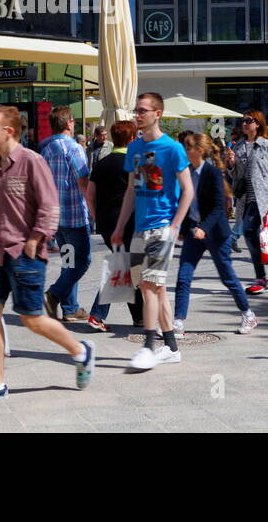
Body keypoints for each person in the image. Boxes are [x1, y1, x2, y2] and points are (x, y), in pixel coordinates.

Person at [0, 106, 94, 403]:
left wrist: (36, 240)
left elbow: (50, 206)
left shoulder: (32, 161)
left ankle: (80, 351)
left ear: (8, 131)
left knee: (32, 318)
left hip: (25, 253)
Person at [114, 92, 195, 371]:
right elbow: (130, 191)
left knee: (148, 286)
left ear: (157, 114)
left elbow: (188, 190)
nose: (137, 115)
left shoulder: (172, 149)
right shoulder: (134, 149)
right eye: (136, 111)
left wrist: (175, 226)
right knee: (155, 288)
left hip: (162, 228)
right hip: (140, 228)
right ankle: (171, 347)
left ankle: (149, 346)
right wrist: (119, 226)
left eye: (142, 111)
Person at [173, 133, 256, 336]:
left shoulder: (212, 173)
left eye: (188, 148)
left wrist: (205, 228)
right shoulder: (186, 171)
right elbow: (186, 202)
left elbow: (219, 207)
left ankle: (248, 314)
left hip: (216, 233)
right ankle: (178, 321)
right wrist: (184, 230)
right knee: (183, 276)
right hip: (194, 231)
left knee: (227, 276)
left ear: (199, 151)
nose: (184, 151)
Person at [85, 120, 143, 332]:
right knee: (123, 266)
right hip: (129, 222)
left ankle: (139, 316)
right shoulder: (134, 161)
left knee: (130, 266)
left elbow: (89, 196)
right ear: (131, 138)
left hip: (107, 222)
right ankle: (97, 314)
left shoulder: (102, 163)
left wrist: (97, 218)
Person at [40, 106, 93, 324]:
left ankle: (70, 308)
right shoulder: (74, 148)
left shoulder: (46, 149)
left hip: (55, 217)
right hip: (74, 216)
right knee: (82, 262)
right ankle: (54, 293)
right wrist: (92, 206)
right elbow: (83, 182)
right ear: (70, 123)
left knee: (68, 261)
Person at [228, 110, 268, 294]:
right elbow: (235, 176)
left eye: (248, 121)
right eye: (243, 120)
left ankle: (261, 277)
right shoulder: (239, 145)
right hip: (245, 197)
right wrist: (231, 164)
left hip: (263, 198)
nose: (244, 124)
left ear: (257, 123)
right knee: (250, 233)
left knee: (250, 230)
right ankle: (261, 276)